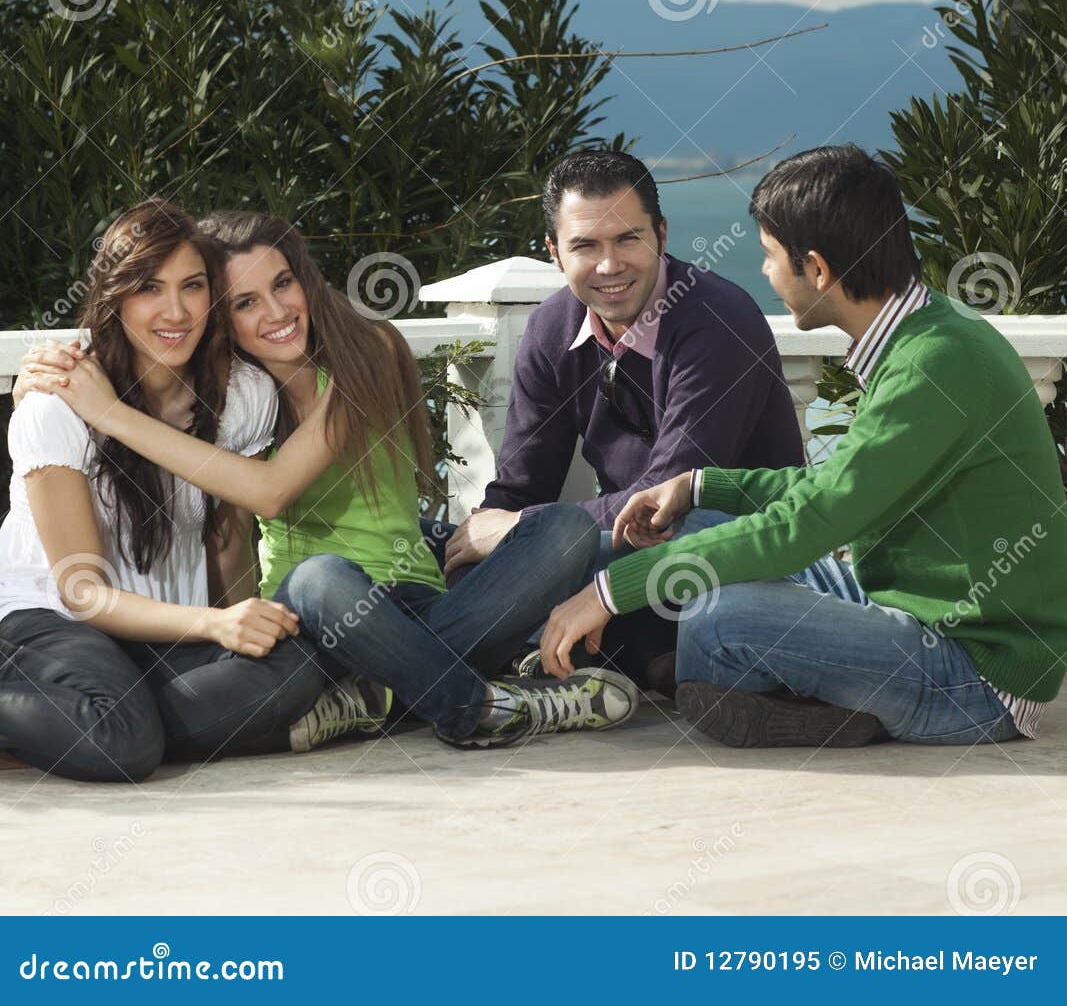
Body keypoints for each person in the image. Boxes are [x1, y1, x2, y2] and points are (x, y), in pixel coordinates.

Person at [22, 212, 639, 750]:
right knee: (322, 578)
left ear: (305, 281)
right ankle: (479, 704)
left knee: (564, 530)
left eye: (283, 284)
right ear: (221, 317)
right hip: (314, 611)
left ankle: (378, 694)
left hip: (409, 596)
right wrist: (48, 376)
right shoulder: (234, 393)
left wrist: (110, 414)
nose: (275, 312)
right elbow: (230, 525)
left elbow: (267, 490)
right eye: (243, 302)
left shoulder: (367, 352)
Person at [538, 145, 1067, 748]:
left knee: (718, 619)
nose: (764, 275)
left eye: (768, 258)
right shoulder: (922, 335)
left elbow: (809, 523)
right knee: (697, 525)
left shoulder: (936, 365)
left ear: (816, 270)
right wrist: (697, 486)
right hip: (901, 606)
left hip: (973, 674)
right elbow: (833, 484)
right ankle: (820, 701)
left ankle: (826, 704)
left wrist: (611, 590)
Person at [443, 149, 803, 685]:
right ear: (554, 252)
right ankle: (631, 662)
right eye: (585, 245)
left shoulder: (717, 323)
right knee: (446, 546)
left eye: (627, 239)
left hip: (721, 546)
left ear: (661, 233)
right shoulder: (551, 330)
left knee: (679, 531)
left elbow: (665, 499)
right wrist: (484, 547)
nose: (609, 266)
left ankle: (436, 663)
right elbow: (517, 488)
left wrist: (522, 533)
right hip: (620, 553)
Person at [0, 202, 325, 783]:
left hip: (156, 631)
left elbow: (227, 538)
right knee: (125, 743)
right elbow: (81, 594)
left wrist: (236, 627)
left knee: (295, 666)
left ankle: (77, 725)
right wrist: (209, 627)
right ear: (115, 298)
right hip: (50, 622)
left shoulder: (243, 393)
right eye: (150, 287)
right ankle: (104, 721)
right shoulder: (57, 405)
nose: (176, 311)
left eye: (193, 287)